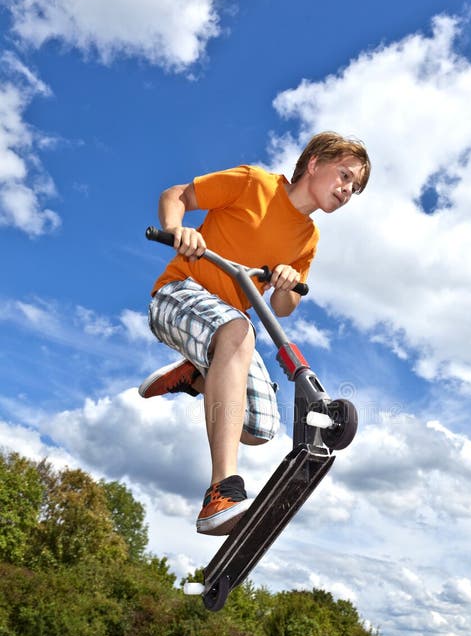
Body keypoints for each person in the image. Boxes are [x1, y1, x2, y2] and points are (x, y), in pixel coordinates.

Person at [139, 131, 371, 536]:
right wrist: (178, 229)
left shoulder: (308, 239)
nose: (347, 190)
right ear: (314, 163)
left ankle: (197, 376)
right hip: (178, 294)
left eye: (355, 187)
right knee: (238, 328)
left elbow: (283, 307)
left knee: (259, 429)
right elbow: (175, 195)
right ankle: (221, 492)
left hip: (227, 325)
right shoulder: (254, 183)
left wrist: (286, 283)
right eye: (345, 175)